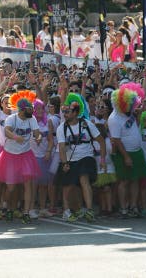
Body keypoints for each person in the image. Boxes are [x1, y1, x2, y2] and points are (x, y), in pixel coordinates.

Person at [0, 91, 41, 222]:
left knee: (28, 184)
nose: (32, 110)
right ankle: (8, 208)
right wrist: (15, 137)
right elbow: (7, 131)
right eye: (30, 108)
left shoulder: (32, 119)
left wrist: (38, 138)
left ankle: (26, 212)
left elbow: (37, 133)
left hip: (25, 155)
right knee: (11, 187)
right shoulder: (12, 118)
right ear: (22, 109)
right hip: (10, 155)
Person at [57, 93, 105, 222]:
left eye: (68, 112)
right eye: (64, 111)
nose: (65, 114)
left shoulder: (87, 124)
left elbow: (101, 141)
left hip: (86, 156)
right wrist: (64, 163)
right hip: (70, 159)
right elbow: (61, 147)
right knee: (68, 186)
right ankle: (67, 211)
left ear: (76, 112)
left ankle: (89, 210)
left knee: (84, 179)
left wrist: (102, 160)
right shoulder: (62, 128)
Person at [108, 82, 146, 218]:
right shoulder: (114, 119)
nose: (132, 107)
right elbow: (116, 140)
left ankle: (133, 206)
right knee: (124, 181)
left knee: (135, 179)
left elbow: (134, 122)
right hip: (124, 153)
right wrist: (126, 157)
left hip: (137, 151)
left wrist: (139, 111)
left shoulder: (129, 111)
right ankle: (123, 209)